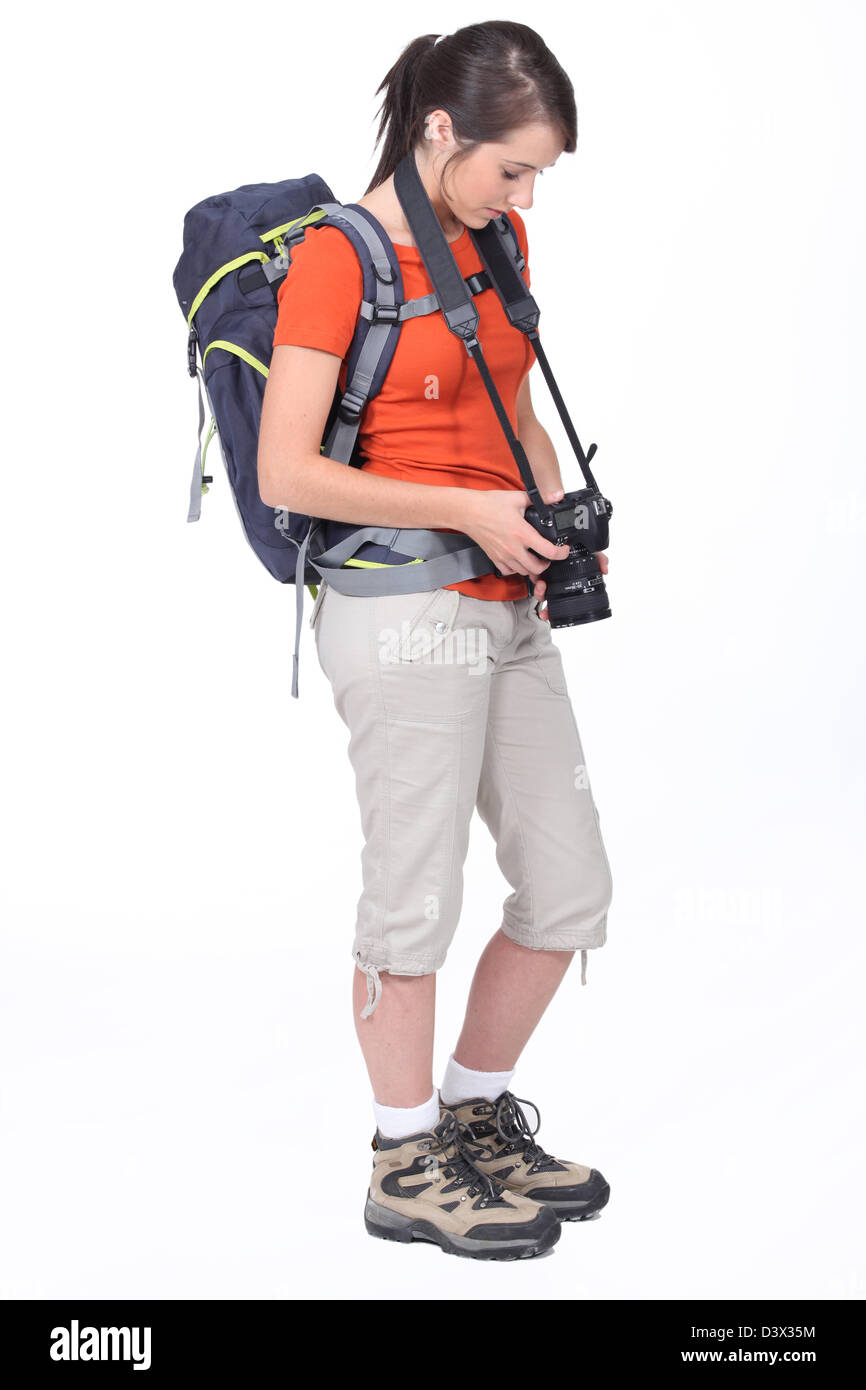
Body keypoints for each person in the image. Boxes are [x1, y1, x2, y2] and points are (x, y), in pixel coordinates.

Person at [258, 20, 614, 1261]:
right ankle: (401, 1157)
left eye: (538, 177)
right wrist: (464, 506)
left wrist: (554, 515)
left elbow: (506, 399)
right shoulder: (334, 259)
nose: (524, 195)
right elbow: (288, 466)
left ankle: (468, 1118)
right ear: (439, 130)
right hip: (399, 613)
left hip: (508, 601)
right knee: (414, 901)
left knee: (568, 892)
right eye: (511, 168)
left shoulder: (497, 239)